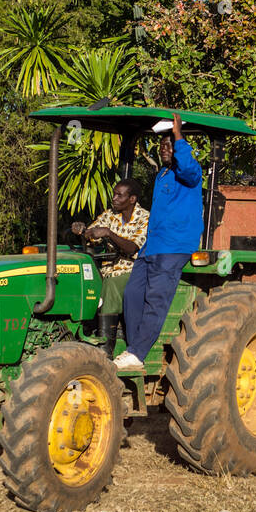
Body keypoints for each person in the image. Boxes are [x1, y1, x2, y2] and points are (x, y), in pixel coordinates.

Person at [117, 113, 202, 371]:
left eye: (170, 146)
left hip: (174, 247)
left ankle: (138, 353)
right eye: (162, 146)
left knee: (156, 298)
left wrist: (178, 136)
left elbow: (186, 166)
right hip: (152, 246)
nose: (165, 149)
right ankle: (135, 349)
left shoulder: (190, 172)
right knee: (132, 294)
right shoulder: (162, 175)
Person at [71, 178, 148, 342]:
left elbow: (132, 248)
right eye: (114, 194)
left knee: (111, 285)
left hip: (134, 270)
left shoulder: (145, 218)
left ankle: (106, 346)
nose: (114, 198)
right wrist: (82, 230)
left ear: (132, 199)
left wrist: (109, 233)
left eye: (119, 195)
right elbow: (93, 233)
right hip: (107, 268)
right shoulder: (110, 214)